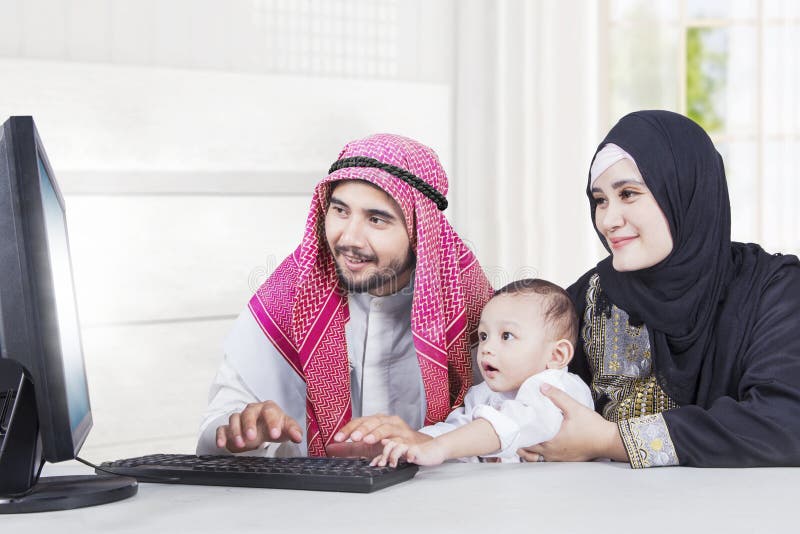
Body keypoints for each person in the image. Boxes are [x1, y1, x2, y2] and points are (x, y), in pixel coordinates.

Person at [517, 110, 800, 468]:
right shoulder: (592, 295)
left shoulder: (772, 288)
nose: (607, 219)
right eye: (600, 200)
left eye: (629, 194)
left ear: (684, 191)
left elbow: (786, 421)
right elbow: (513, 372)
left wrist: (612, 440)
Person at [197, 133, 494, 457]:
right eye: (340, 211)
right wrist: (241, 430)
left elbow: (519, 424)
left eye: (376, 219)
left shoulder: (475, 311)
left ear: (419, 229)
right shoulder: (286, 300)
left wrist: (438, 441)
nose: (349, 238)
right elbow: (216, 430)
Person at [371, 279, 593, 466]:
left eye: (506, 336)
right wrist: (415, 442)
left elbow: (510, 422)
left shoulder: (557, 389)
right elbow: (459, 428)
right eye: (484, 335)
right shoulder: (483, 393)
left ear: (556, 355)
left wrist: (439, 448)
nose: (486, 347)